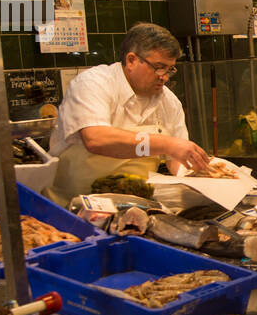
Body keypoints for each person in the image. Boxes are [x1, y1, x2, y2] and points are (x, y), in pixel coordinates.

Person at [47, 23, 209, 202]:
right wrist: (167, 144)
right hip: (72, 204)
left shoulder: (169, 102)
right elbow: (96, 139)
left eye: (170, 69)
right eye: (159, 67)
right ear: (131, 60)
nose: (164, 76)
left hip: (136, 204)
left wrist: (194, 175)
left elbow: (176, 158)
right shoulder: (93, 83)